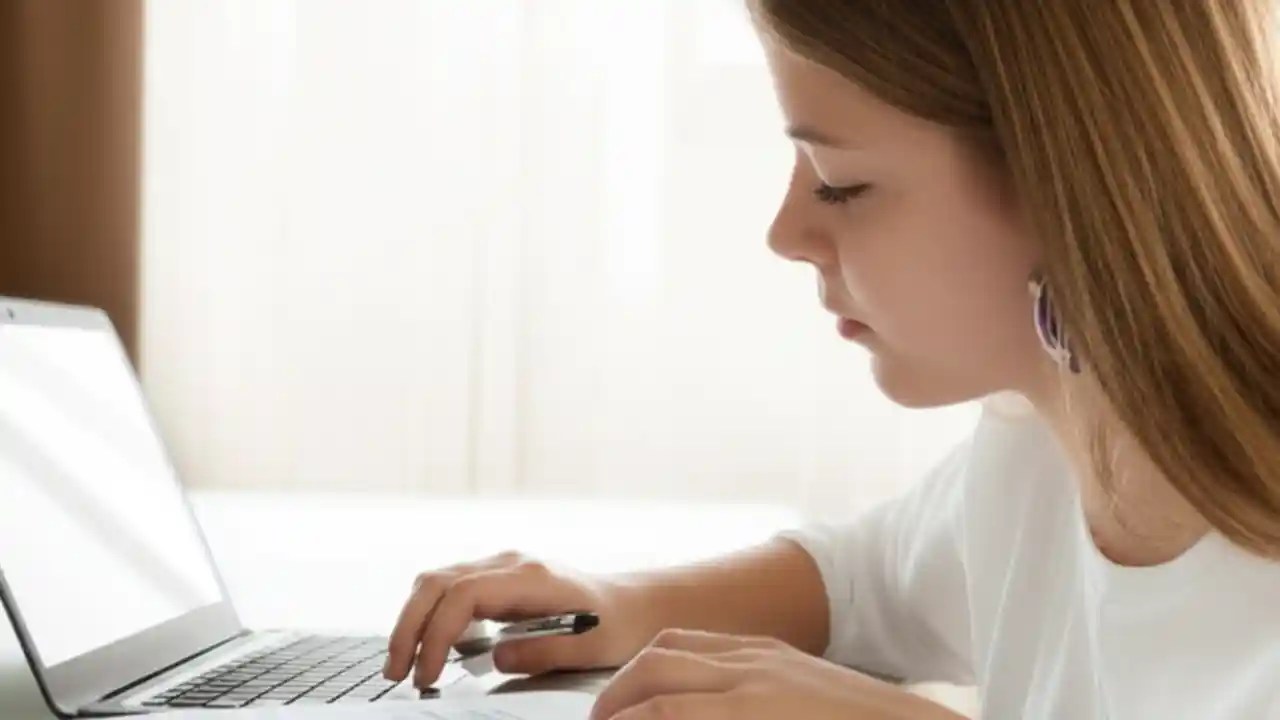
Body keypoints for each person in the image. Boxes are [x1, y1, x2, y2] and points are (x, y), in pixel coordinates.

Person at [383, 2, 1280, 717]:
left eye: (840, 182)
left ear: (1073, 180)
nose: (785, 235)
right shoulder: (1042, 441)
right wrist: (612, 604)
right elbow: (864, 580)